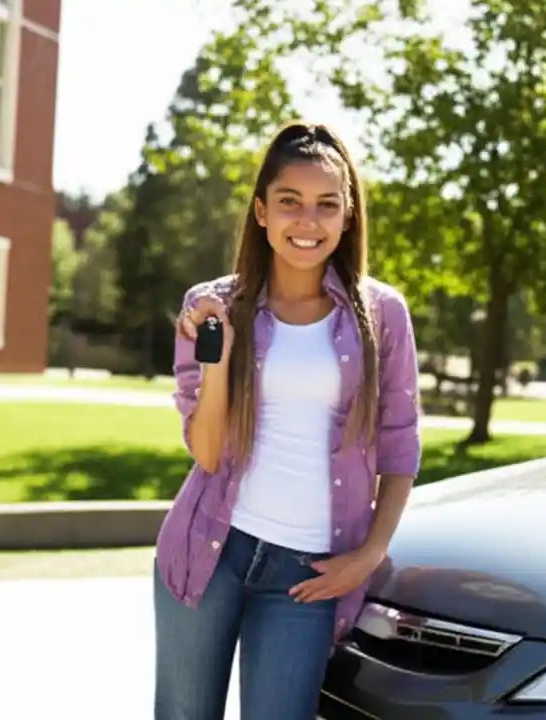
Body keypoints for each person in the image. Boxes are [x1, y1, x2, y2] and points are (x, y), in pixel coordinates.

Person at [152, 121, 422, 719]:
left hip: (308, 575)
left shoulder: (383, 316)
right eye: (290, 203)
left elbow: (400, 446)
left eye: (327, 205)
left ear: (348, 215)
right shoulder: (213, 306)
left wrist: (371, 552)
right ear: (261, 212)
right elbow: (207, 451)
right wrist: (217, 353)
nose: (308, 222)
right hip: (210, 553)